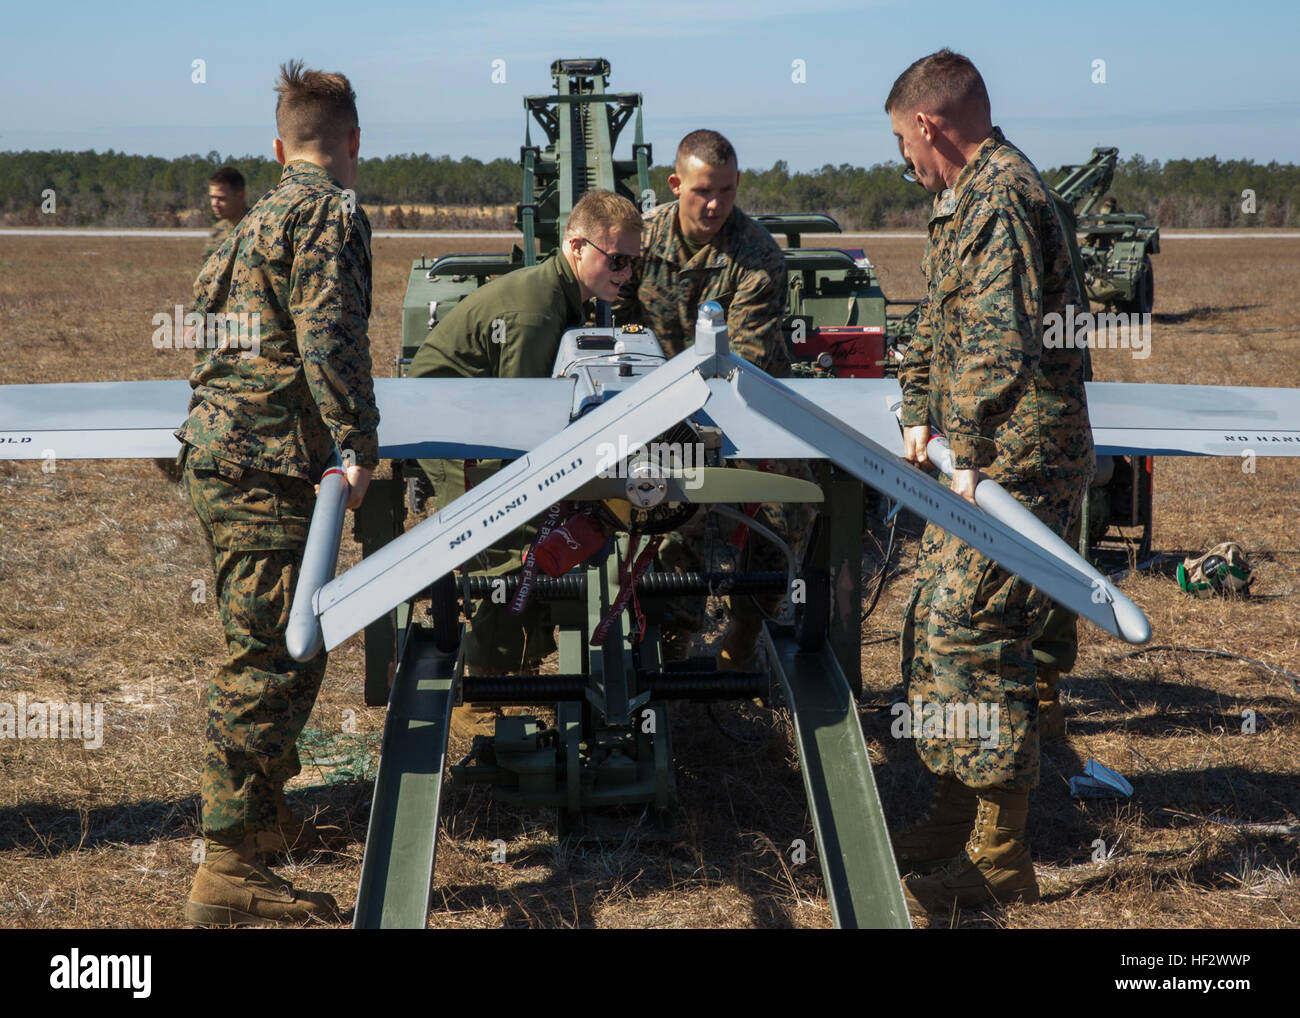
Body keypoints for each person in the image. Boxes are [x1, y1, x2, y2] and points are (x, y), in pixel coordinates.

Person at [884, 49, 1094, 911]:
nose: (903, 159)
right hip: (974, 460)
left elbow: (1001, 342)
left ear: (931, 125)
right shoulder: (960, 201)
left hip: (1019, 462)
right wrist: (914, 410)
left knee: (975, 632)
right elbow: (937, 323)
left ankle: (1001, 852)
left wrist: (960, 444)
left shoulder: (1002, 194)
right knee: (931, 622)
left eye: (904, 141)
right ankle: (954, 808)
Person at [175, 60, 379, 926]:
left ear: (278, 143)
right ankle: (225, 871)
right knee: (266, 660)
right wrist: (359, 440)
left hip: (226, 459)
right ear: (353, 143)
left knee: (286, 648)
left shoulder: (247, 221)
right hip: (265, 467)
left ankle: (260, 823)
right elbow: (328, 336)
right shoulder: (328, 213)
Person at [409, 189, 642, 734]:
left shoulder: (566, 294)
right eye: (618, 259)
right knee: (518, 538)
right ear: (575, 247)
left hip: (475, 417)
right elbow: (524, 429)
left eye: (636, 260)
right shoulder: (537, 310)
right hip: (447, 426)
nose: (628, 273)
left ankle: (513, 659)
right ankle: (480, 688)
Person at [614, 130, 808, 670]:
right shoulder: (639, 240)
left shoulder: (758, 257)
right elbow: (612, 317)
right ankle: (668, 643)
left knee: (786, 502)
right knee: (665, 509)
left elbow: (738, 363)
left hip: (746, 402)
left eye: (726, 190)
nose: (716, 203)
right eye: (702, 190)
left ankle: (746, 634)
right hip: (655, 401)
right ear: (676, 185)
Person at [202, 167, 248, 263]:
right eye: (212, 197)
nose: (214, 203)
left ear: (240, 195)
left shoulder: (259, 227)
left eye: (221, 198)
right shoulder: (217, 231)